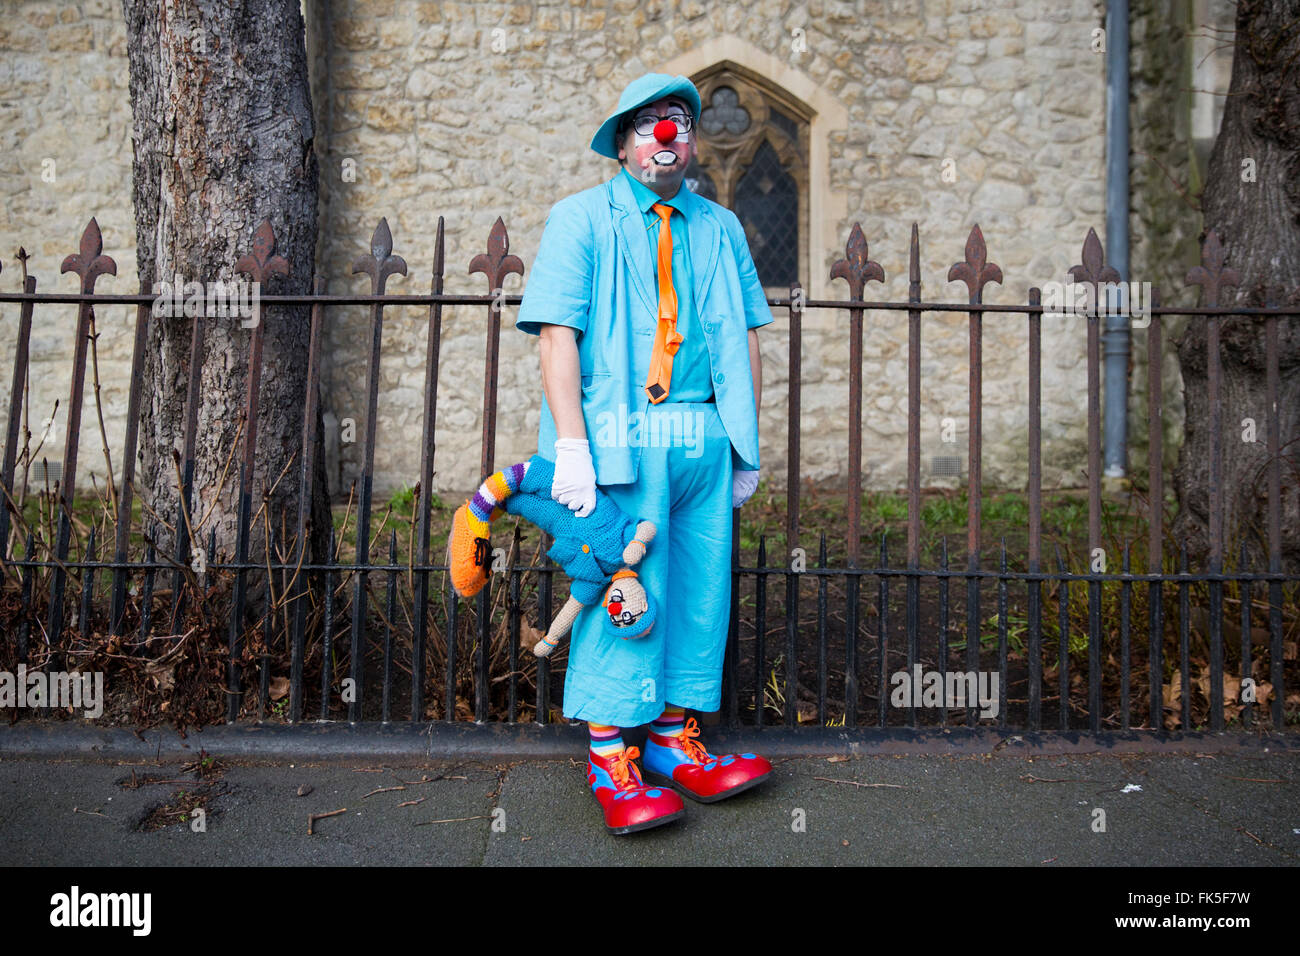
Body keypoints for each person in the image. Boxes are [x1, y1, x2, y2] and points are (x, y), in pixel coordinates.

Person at [515, 73, 773, 835]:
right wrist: (570, 446)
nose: (668, 136)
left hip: (701, 438)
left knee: (699, 589)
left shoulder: (720, 226)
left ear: (692, 143)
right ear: (625, 141)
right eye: (651, 124)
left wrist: (743, 441)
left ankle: (670, 740)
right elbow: (558, 334)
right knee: (627, 591)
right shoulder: (581, 220)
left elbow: (746, 334)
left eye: (680, 123)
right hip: (621, 443)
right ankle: (608, 755)